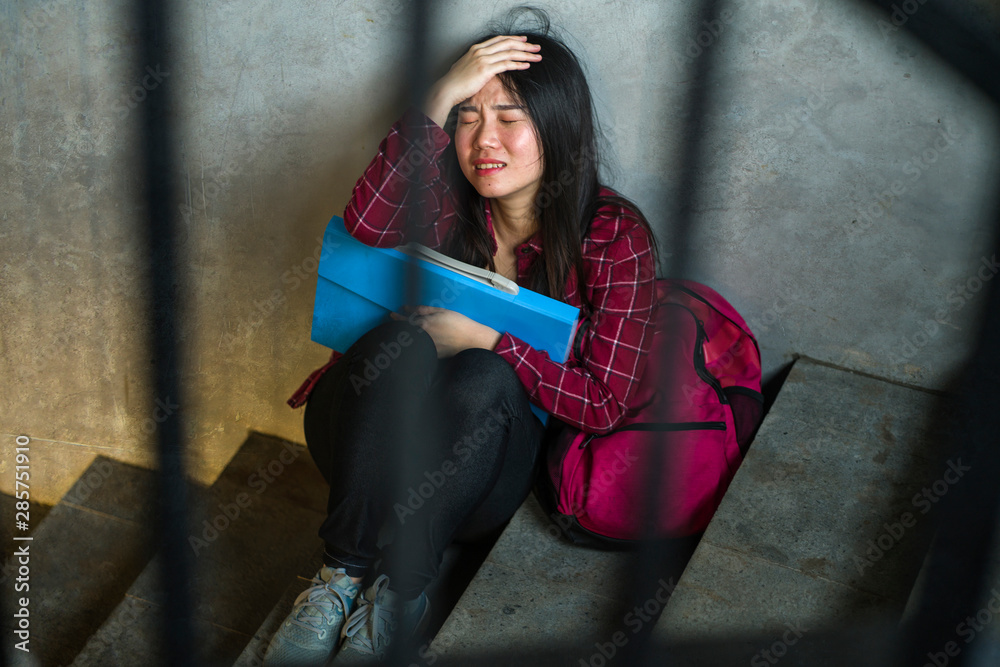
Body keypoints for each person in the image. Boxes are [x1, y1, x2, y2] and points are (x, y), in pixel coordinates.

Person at [264, 10, 659, 665]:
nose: (484, 140)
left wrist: (490, 338)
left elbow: (606, 401)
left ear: (557, 128)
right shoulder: (448, 195)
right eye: (469, 116)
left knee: (484, 372)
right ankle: (338, 578)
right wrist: (436, 98)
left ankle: (399, 592)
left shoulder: (614, 237)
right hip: (362, 441)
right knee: (405, 343)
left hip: (476, 475)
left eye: (509, 118)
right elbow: (364, 225)